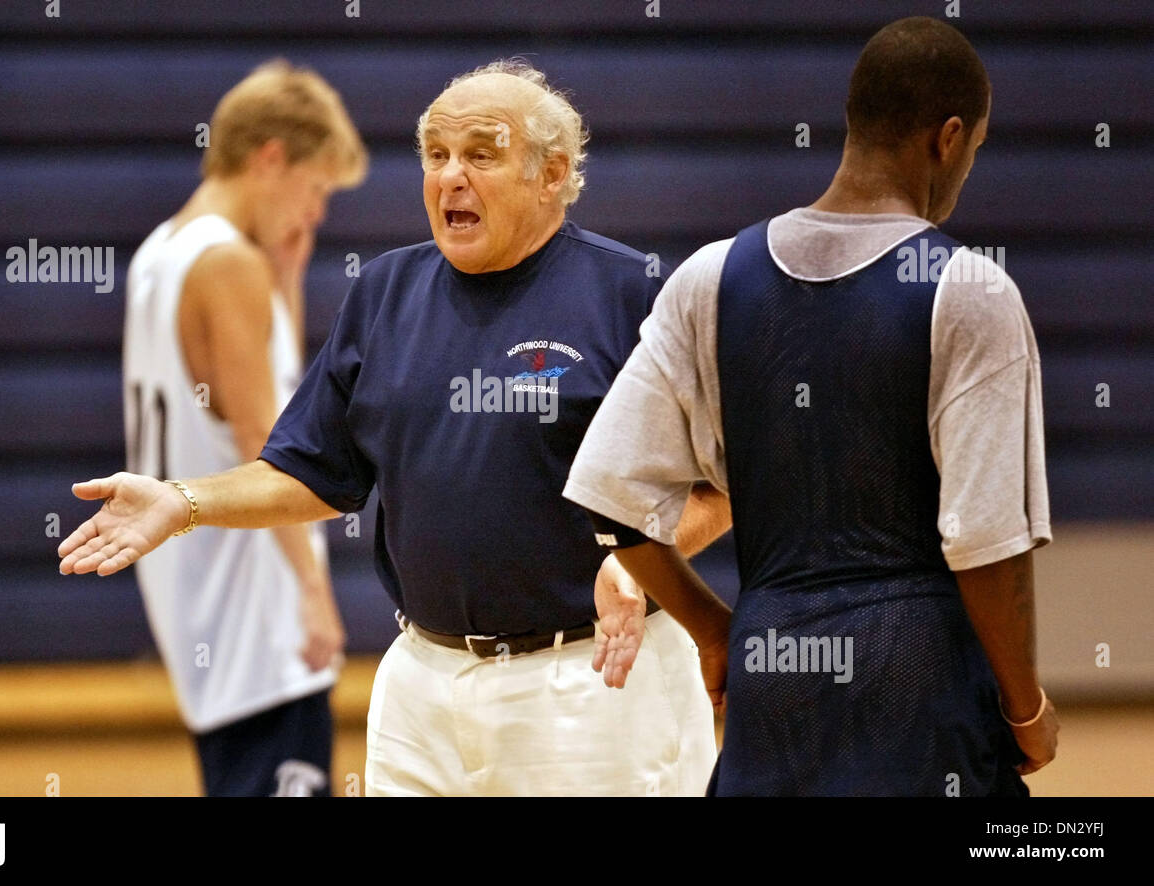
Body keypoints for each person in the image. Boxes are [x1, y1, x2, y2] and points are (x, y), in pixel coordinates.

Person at [60, 59, 732, 797]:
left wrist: (639, 563)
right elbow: (311, 471)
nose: (450, 177)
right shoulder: (384, 292)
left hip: (593, 682)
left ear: (552, 175)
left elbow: (727, 482)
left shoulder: (630, 293)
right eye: (435, 155)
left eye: (481, 153)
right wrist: (181, 501)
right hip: (423, 687)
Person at [563, 17, 1059, 796]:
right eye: (976, 148)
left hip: (773, 683)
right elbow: (988, 548)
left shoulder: (710, 277)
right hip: (922, 692)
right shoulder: (971, 292)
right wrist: (1025, 706)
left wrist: (716, 632)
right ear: (949, 137)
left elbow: (609, 500)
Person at [121, 59, 366, 796]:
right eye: (316, 188)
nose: (318, 213)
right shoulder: (229, 266)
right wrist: (313, 591)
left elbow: (255, 397)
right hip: (260, 624)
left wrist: (287, 280)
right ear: (270, 159)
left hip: (201, 611)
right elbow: (272, 446)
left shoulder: (162, 250)